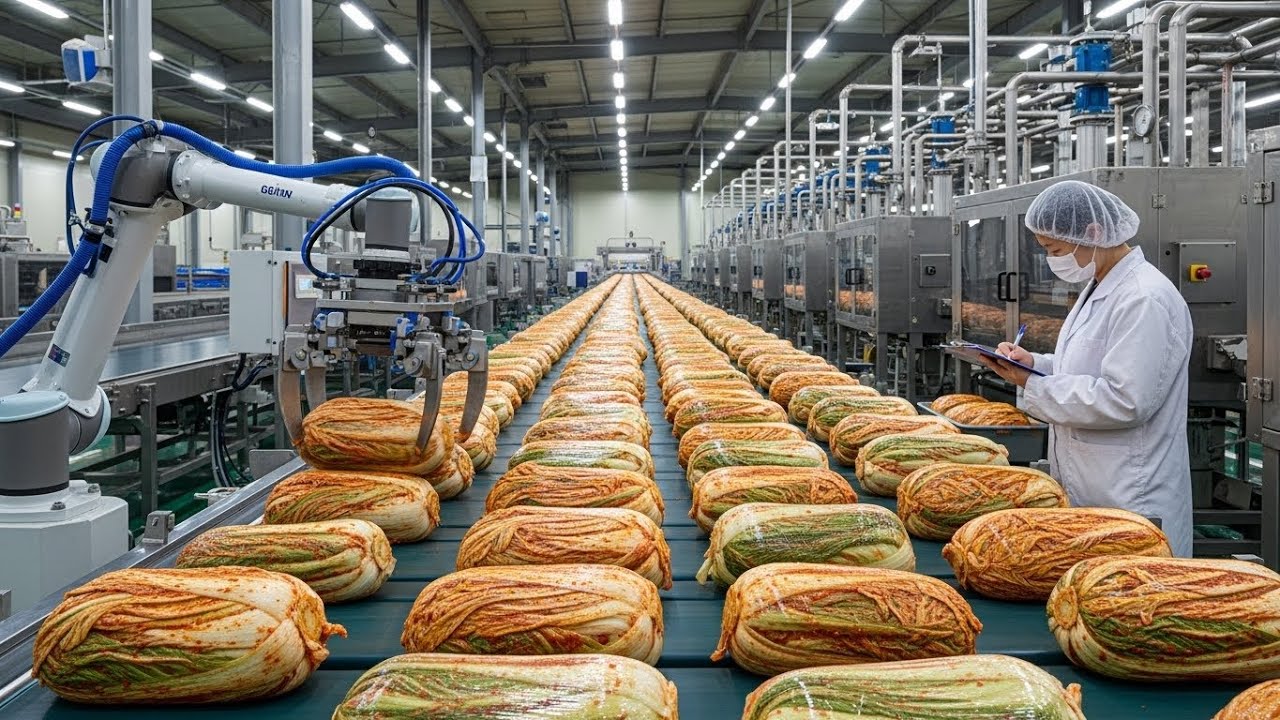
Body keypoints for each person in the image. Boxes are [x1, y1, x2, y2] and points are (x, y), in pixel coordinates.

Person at [980, 180, 1194, 557]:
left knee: (1129, 604)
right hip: (1092, 484)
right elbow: (1087, 367)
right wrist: (1036, 364)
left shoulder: (1144, 298)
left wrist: (1033, 385)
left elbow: (1126, 399)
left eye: (1056, 249)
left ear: (1093, 234)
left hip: (1130, 491)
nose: (1052, 260)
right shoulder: (1099, 286)